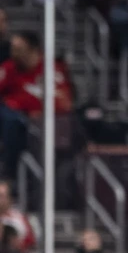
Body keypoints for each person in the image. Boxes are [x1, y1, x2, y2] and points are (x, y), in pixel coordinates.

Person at [0, 31, 74, 178]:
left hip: (48, 124)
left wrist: (24, 104)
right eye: (12, 49)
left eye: (18, 50)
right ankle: (9, 173)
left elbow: (64, 102)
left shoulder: (52, 69)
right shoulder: (8, 68)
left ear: (33, 50)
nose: (13, 54)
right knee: (10, 118)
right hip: (18, 122)